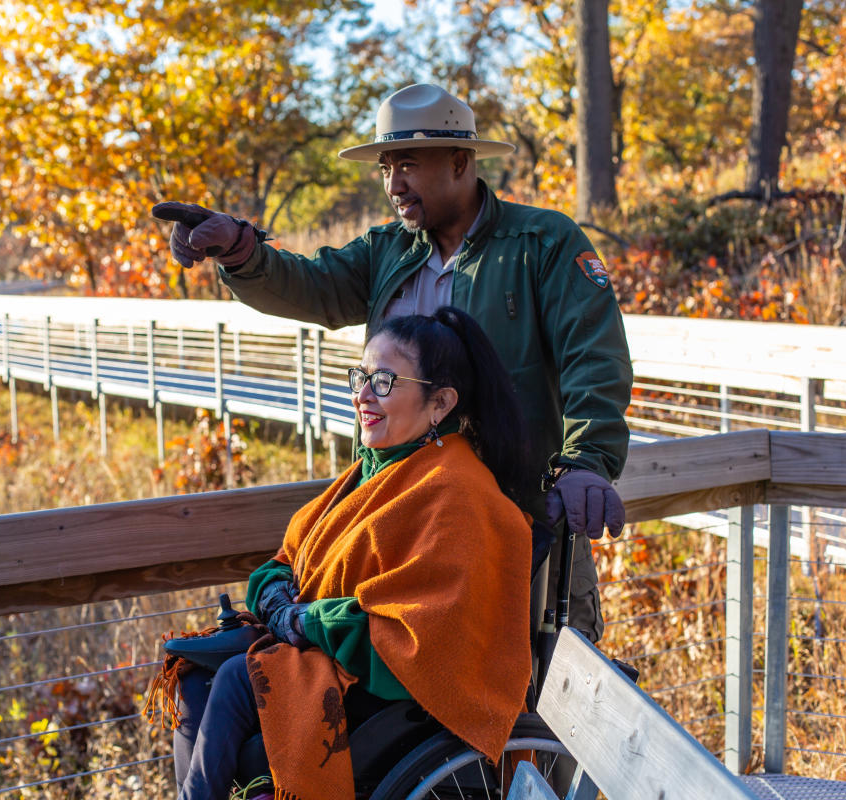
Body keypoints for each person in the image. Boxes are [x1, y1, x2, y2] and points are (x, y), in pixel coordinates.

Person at [154, 83, 632, 643]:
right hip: (402, 520)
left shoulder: (540, 244)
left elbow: (593, 358)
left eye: (407, 165)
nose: (393, 185)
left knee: (539, 669)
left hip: (518, 518)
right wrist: (240, 250)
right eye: (385, 168)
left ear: (460, 162)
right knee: (412, 658)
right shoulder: (387, 250)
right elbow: (312, 286)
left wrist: (585, 462)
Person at [152, 306, 535, 800]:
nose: (362, 396)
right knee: (193, 680)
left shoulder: (458, 493)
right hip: (331, 662)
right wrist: (277, 601)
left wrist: (303, 620)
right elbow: (289, 558)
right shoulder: (378, 467)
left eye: (383, 381)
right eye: (360, 377)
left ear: (440, 402)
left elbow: (421, 634)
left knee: (234, 678)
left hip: (386, 694)